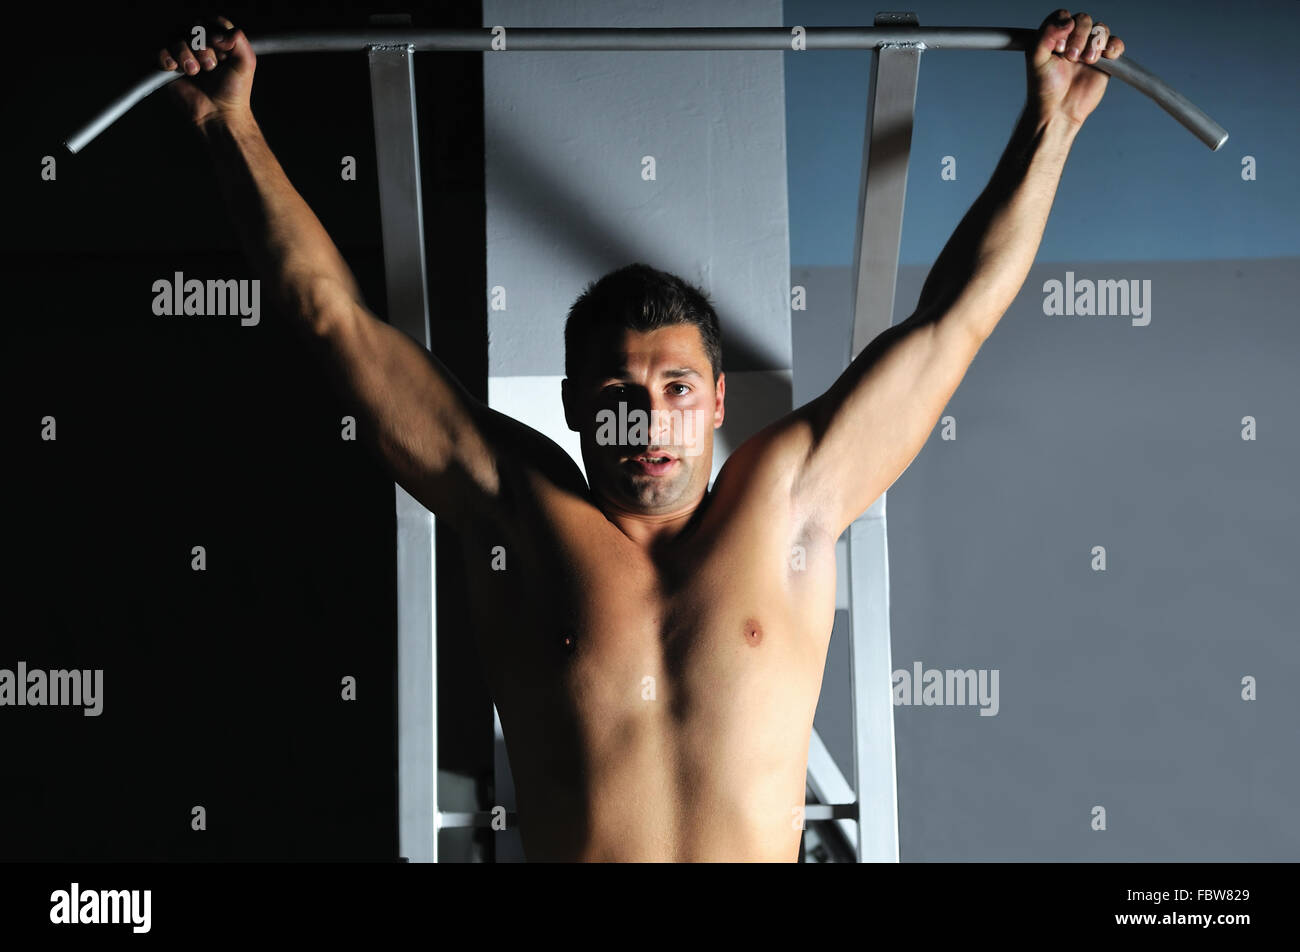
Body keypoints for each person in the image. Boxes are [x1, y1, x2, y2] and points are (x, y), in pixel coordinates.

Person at [160, 9, 1124, 861]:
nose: (649, 414)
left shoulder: (789, 496)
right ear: (575, 404)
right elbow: (334, 321)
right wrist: (228, 125)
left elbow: (954, 321)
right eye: (620, 388)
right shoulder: (514, 505)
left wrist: (1054, 123)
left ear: (713, 403)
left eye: (675, 386)